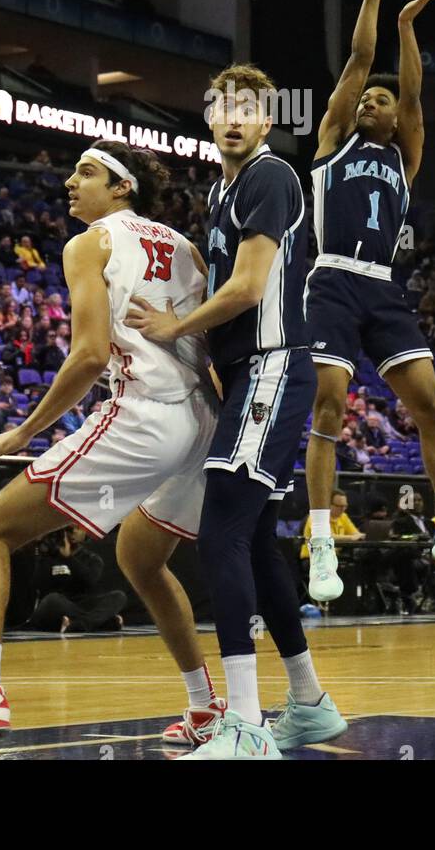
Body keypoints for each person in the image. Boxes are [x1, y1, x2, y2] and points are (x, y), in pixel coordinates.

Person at [0, 143, 218, 744]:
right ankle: (205, 707)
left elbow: (90, 356)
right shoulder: (185, 246)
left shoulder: (89, 243)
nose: (70, 182)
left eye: (85, 173)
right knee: (141, 561)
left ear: (121, 188)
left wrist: (25, 429)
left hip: (145, 414)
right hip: (202, 423)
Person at [125, 66, 346, 759]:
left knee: (220, 523)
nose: (234, 118)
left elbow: (250, 288)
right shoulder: (222, 190)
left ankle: (246, 725)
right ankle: (308, 704)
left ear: (266, 120)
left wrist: (173, 328)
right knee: (248, 536)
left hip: (273, 363)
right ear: (208, 115)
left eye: (249, 109)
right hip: (251, 374)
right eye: (223, 106)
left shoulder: (269, 174)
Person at [302, 0, 435, 603]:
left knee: (430, 407)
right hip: (330, 280)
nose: (367, 104)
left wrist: (409, 27)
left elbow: (412, 98)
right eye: (363, 101)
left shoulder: (403, 156)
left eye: (376, 101)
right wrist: (376, 2)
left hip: (382, 286)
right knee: (328, 406)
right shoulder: (331, 143)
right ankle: (320, 541)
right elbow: (358, 58)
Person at [27, 526, 127, 633]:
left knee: (118, 596)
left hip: (80, 604)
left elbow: (89, 581)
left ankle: (79, 625)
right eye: (70, 529)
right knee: (52, 599)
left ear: (85, 533)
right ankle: (102, 622)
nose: (74, 532)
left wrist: (69, 558)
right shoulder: (51, 556)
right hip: (56, 606)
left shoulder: (91, 559)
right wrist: (45, 556)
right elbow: (37, 584)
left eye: (78, 528)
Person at [300, 489, 363, 560]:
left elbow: (357, 535)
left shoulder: (343, 516)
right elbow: (326, 537)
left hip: (333, 557)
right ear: (328, 504)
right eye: (339, 506)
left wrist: (356, 537)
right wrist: (351, 538)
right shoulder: (317, 517)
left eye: (345, 506)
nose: (343, 509)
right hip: (314, 558)